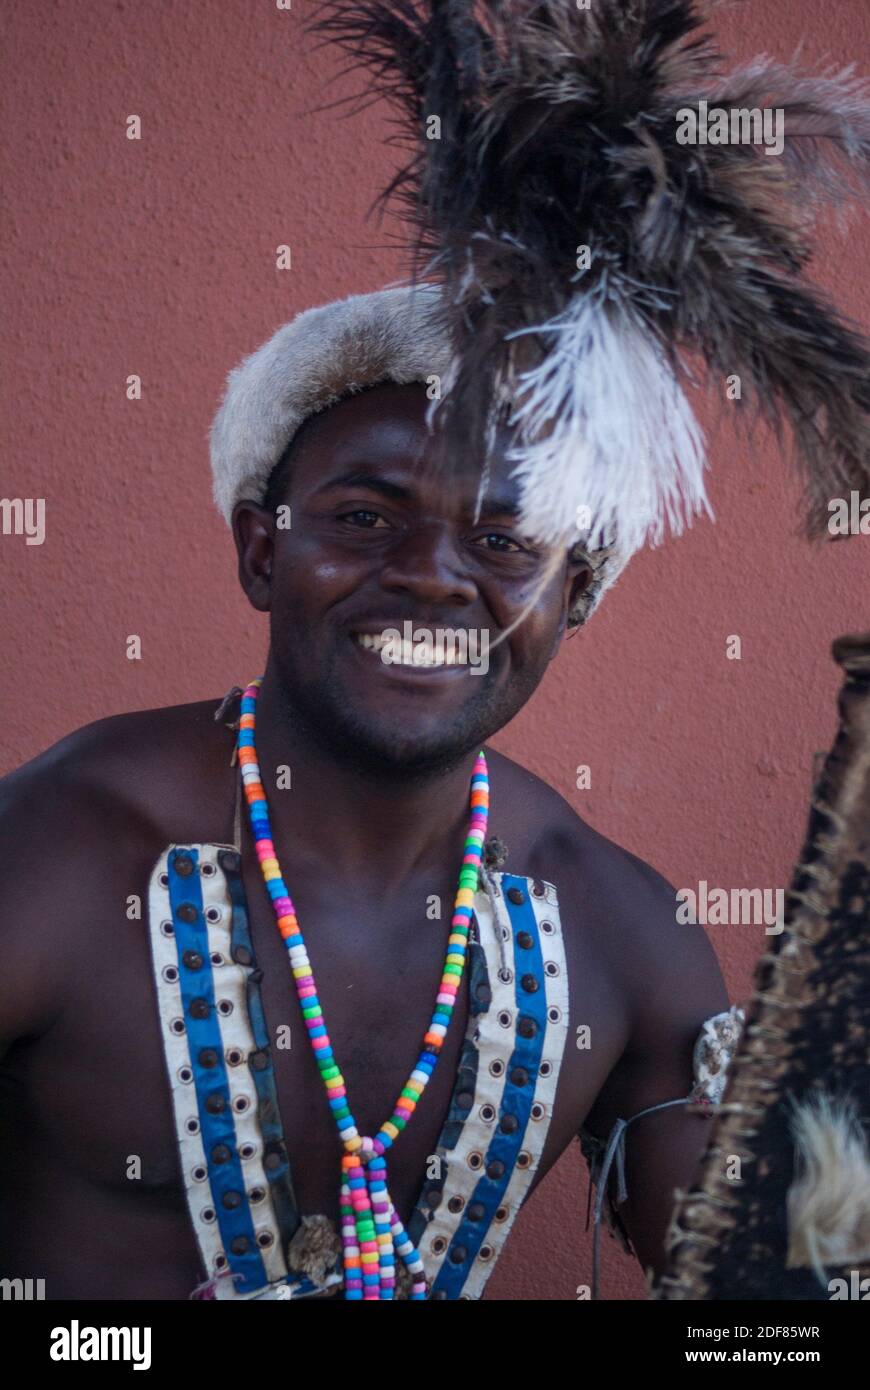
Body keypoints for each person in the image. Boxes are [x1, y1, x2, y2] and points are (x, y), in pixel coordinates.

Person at [0, 283, 736, 1301]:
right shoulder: (55, 854)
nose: (432, 575)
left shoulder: (618, 926)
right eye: (363, 516)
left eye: (504, 541)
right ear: (264, 552)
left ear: (572, 597)